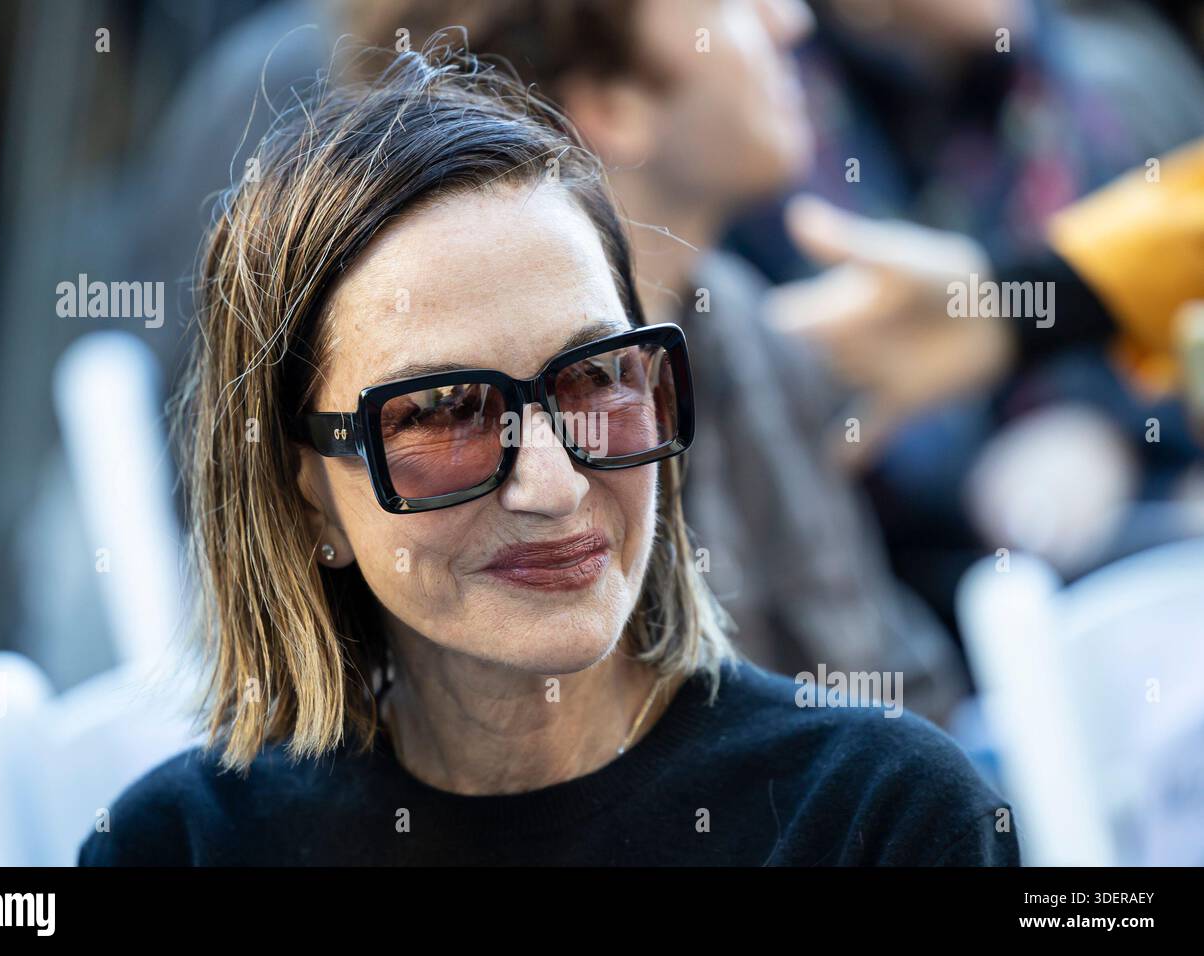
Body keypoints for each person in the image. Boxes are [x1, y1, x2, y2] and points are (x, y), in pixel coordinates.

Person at [76, 48, 1017, 866]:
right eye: (445, 412)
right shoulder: (182, 848)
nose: (555, 483)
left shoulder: (880, 818)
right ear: (309, 493)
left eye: (598, 378)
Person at [347, 0, 969, 723]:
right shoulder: (433, 402)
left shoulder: (729, 317)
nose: (790, 21)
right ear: (612, 102)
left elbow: (892, 686)